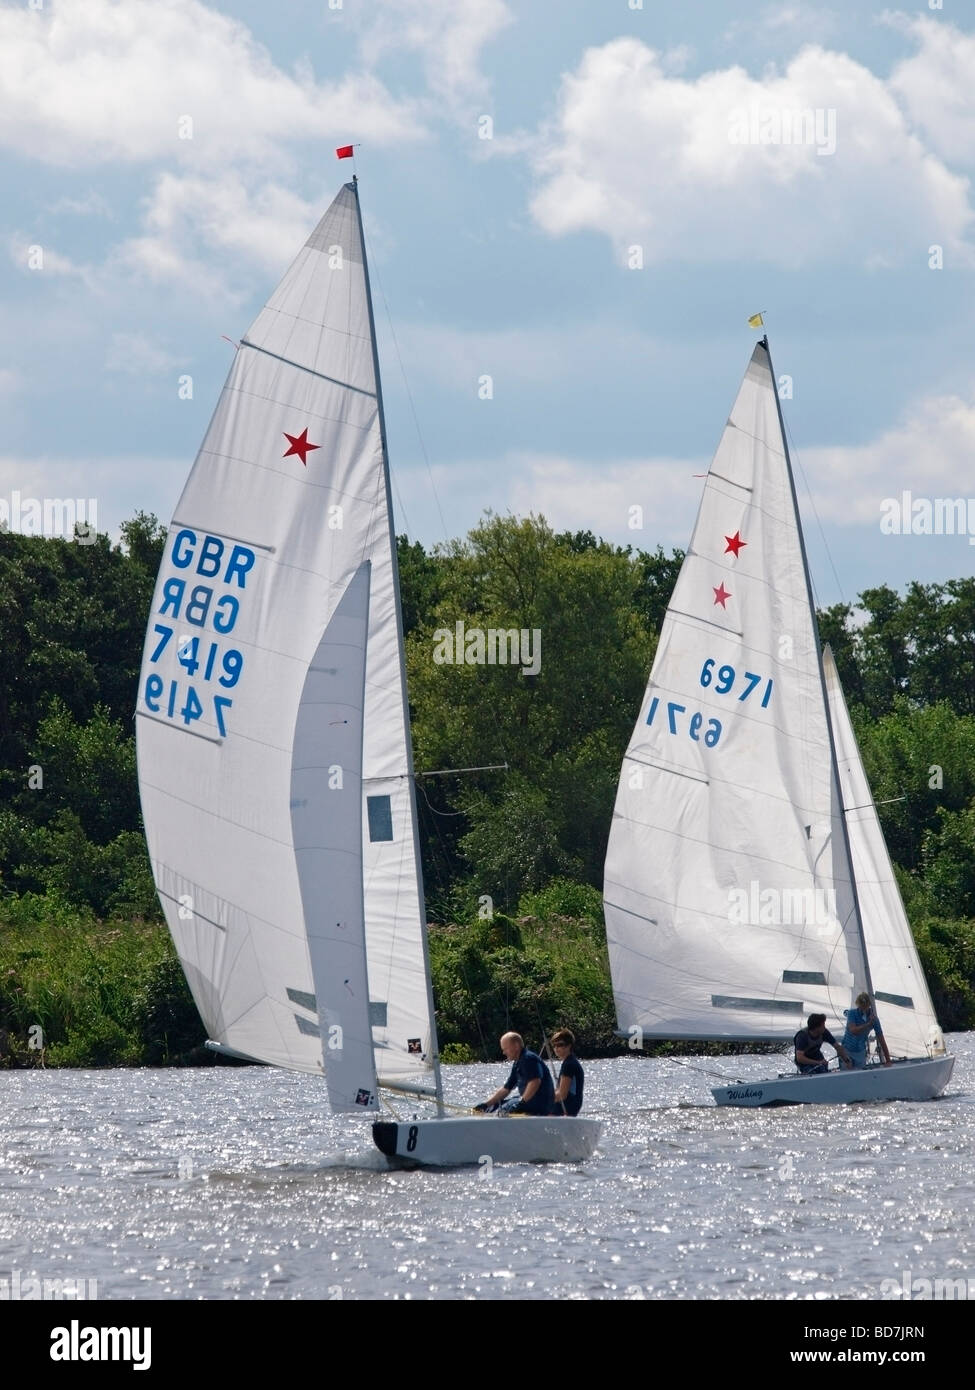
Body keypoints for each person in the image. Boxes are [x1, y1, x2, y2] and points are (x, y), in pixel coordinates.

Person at [474, 1032, 554, 1116]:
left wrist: (522, 1102)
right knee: (494, 1106)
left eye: (505, 1049)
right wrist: (486, 1104)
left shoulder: (528, 1059)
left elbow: (535, 1082)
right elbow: (506, 1089)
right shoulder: (517, 1063)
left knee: (502, 1111)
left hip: (540, 1105)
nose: (504, 1053)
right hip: (529, 1102)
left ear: (516, 1046)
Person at [841, 992, 891, 1067]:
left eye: (865, 1007)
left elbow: (881, 1039)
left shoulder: (874, 1019)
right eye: (861, 1007)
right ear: (858, 1004)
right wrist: (868, 1024)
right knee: (847, 1074)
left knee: (860, 1075)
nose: (862, 1009)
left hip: (860, 1051)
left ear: (869, 1005)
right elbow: (853, 1031)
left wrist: (888, 1060)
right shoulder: (852, 1013)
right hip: (846, 1050)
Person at [549, 1029, 584, 1117]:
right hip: (570, 1105)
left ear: (569, 1046)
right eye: (554, 1045)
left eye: (560, 1045)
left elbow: (562, 1094)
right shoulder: (569, 1061)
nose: (556, 1048)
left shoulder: (569, 1065)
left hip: (567, 1107)